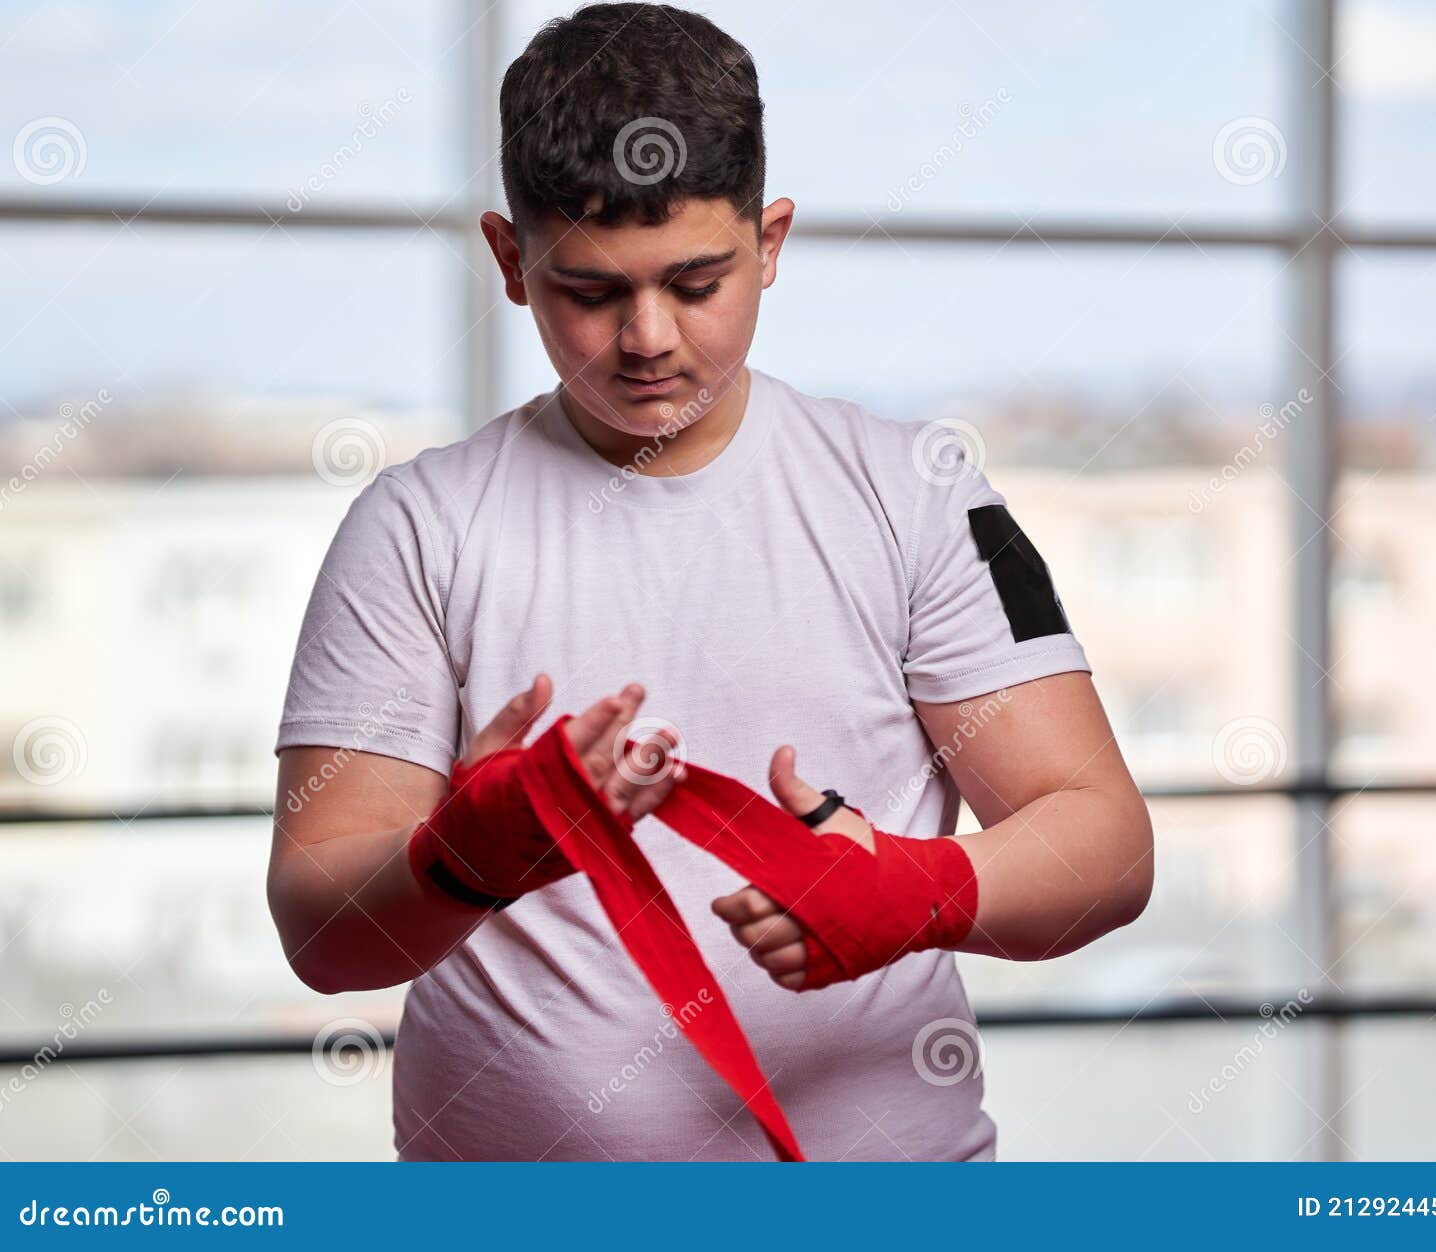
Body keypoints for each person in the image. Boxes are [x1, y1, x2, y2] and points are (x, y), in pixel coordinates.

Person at [268, 1, 1152, 1162]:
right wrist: (460, 855)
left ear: (771, 241)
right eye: (590, 290)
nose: (647, 338)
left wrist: (915, 889)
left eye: (696, 282)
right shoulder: (412, 526)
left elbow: (1103, 844)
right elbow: (323, 935)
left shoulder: (929, 493)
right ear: (509, 261)